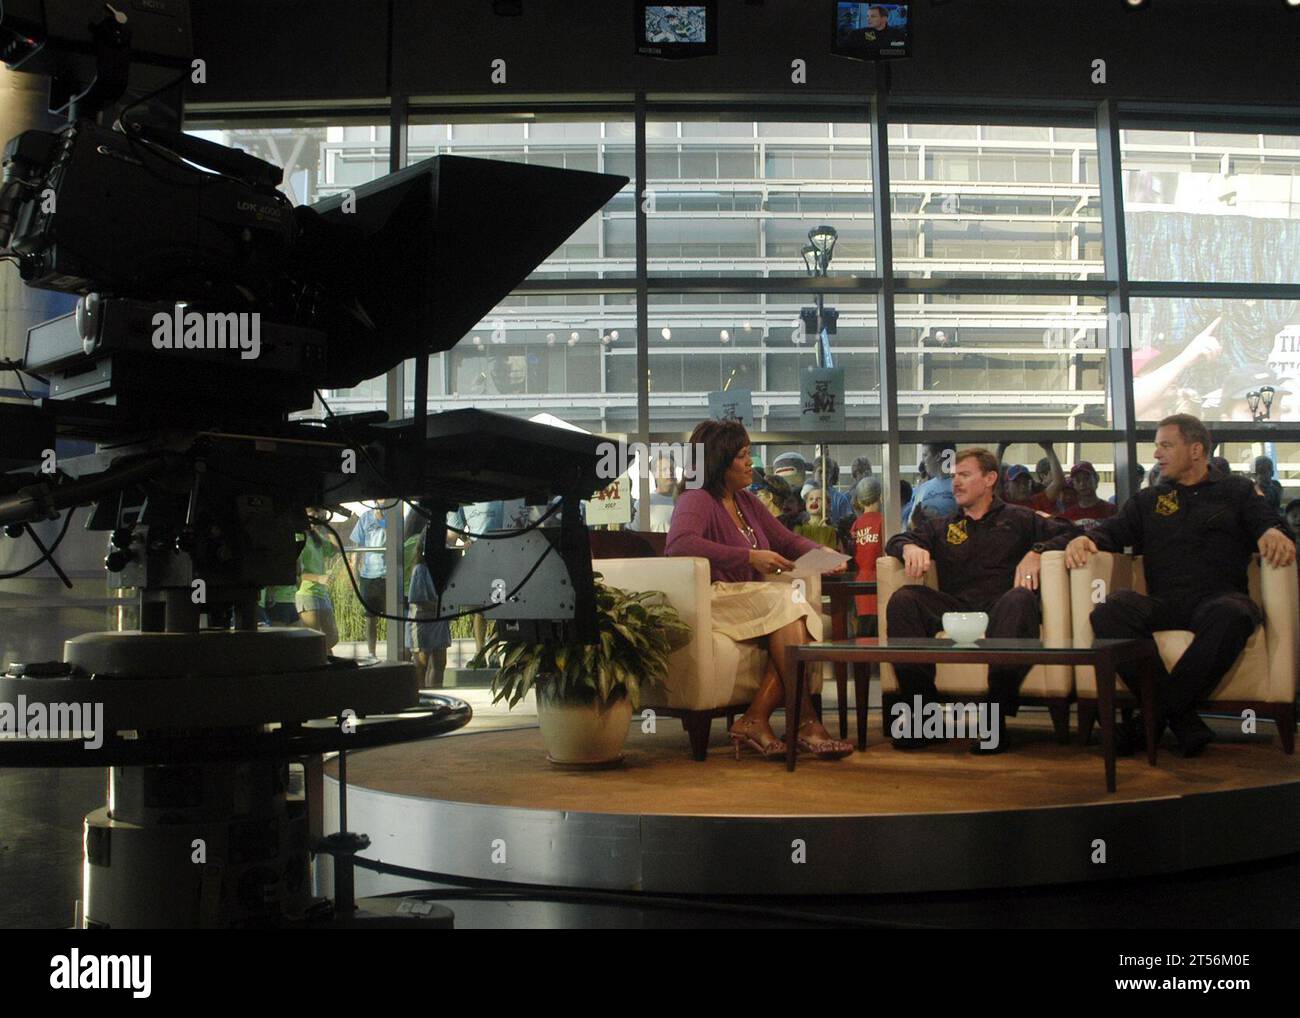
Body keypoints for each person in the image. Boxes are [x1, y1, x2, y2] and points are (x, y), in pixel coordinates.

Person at [1051, 414, 1296, 757]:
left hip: (1219, 599)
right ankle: (1181, 720)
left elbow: (1270, 522)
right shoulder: (1148, 499)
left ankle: (1147, 722)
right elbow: (1112, 531)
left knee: (1234, 614)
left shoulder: (1235, 490)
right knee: (1108, 613)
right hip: (1165, 602)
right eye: (1156, 447)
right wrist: (1086, 540)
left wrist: (1272, 532)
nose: (1156, 455)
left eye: (1166, 446)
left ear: (1196, 450)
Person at [666, 419, 853, 760]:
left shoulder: (746, 502)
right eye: (742, 455)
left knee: (793, 612)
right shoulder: (697, 499)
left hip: (748, 598)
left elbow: (786, 539)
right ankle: (806, 721)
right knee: (789, 602)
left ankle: (756, 718)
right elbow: (679, 546)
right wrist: (749, 556)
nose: (751, 462)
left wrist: (821, 554)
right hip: (713, 598)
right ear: (718, 461)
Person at [884, 447, 1080, 753]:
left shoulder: (1020, 518)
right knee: (904, 600)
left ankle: (995, 719)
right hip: (957, 607)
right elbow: (895, 540)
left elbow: (1070, 531)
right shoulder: (944, 525)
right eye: (954, 477)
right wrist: (908, 548)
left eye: (964, 475)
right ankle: (922, 716)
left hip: (1003, 606)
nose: (955, 484)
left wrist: (1037, 552)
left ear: (989, 479)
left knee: (1020, 599)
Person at [407, 522, 451, 688]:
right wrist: (442, 606)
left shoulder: (444, 568)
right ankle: (421, 698)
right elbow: (417, 599)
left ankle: (436, 695)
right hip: (422, 622)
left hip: (439, 620)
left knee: (440, 663)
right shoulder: (420, 569)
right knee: (421, 665)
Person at [349, 503, 391, 659]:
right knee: (370, 617)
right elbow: (356, 546)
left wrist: (382, 522)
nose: (382, 502)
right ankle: (371, 652)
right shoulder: (365, 517)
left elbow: (395, 540)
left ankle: (392, 650)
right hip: (368, 575)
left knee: (391, 614)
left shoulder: (392, 517)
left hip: (387, 574)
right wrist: (354, 573)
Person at [296, 511, 340, 652]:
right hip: (307, 592)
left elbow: (335, 548)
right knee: (315, 640)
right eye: (312, 515)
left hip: (321, 592)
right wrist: (318, 578)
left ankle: (323, 658)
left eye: (318, 515)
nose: (316, 518)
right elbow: (296, 572)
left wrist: (327, 527)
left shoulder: (316, 537)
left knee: (332, 637)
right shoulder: (299, 538)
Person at [848, 476, 884, 635]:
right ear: (881, 497)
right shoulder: (884, 521)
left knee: (863, 631)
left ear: (860, 501)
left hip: (860, 581)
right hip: (880, 580)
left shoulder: (856, 524)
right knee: (879, 630)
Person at [901, 442, 957, 527]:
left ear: (938, 456)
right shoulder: (923, 489)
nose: (923, 461)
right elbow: (910, 524)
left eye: (925, 455)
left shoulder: (959, 485)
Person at [1061, 462, 1116, 527]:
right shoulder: (1068, 515)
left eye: (1086, 479)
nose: (1082, 484)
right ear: (1073, 484)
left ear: (1096, 478)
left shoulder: (1111, 510)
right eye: (1078, 480)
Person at [812, 455, 854, 525]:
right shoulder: (808, 495)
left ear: (831, 475)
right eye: (820, 471)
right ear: (813, 473)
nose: (823, 475)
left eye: (827, 472)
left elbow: (847, 521)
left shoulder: (840, 499)